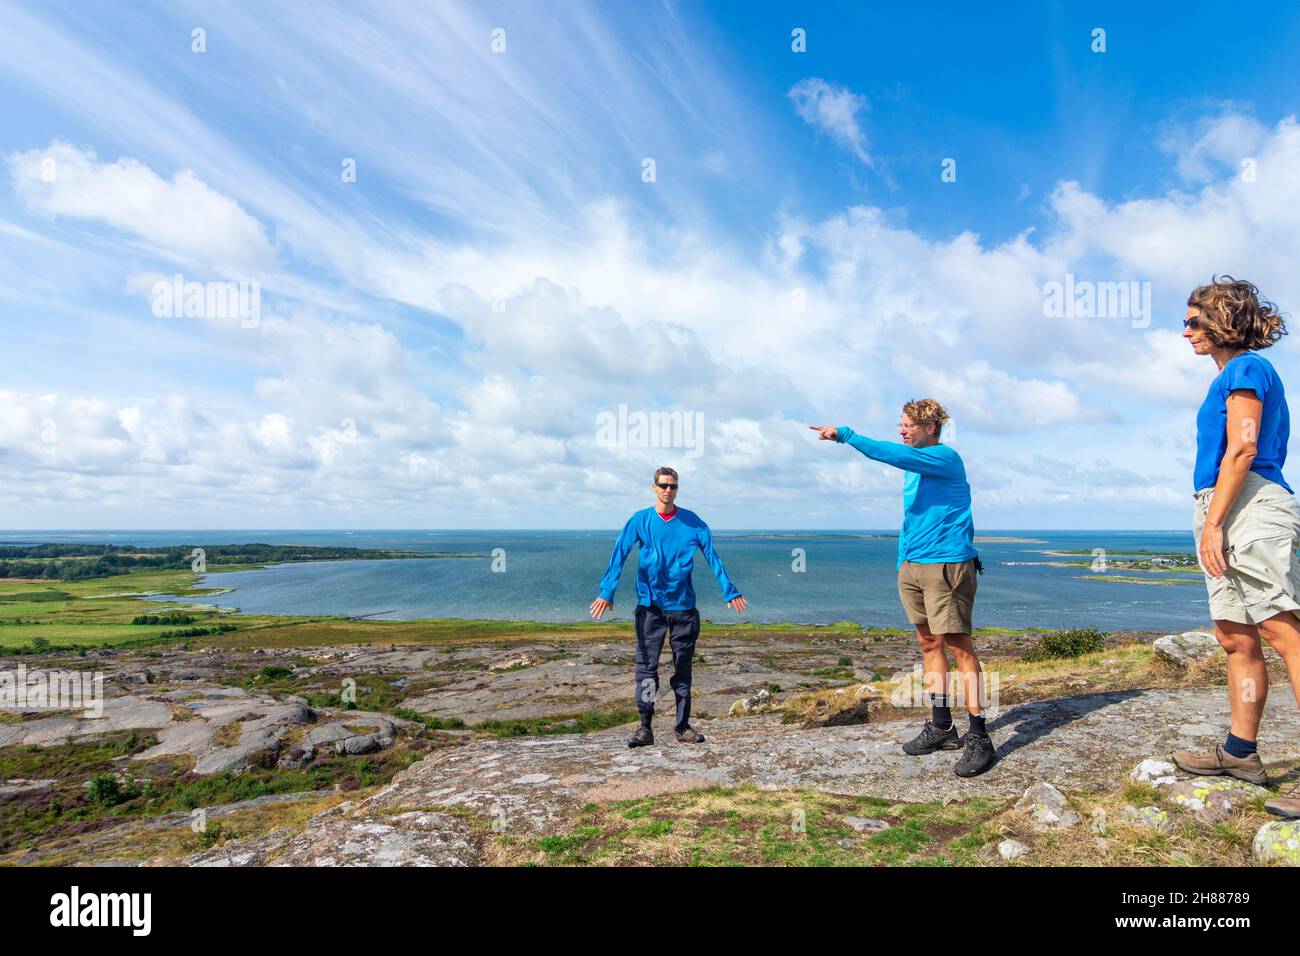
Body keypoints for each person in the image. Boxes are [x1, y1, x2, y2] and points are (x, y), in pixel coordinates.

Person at [809, 399, 994, 777]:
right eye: (901, 424)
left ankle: (979, 736)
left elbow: (889, 454)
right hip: (913, 566)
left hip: (947, 565)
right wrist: (902, 563)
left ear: (930, 428)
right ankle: (942, 725)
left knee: (959, 647)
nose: (902, 430)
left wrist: (846, 435)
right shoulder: (914, 468)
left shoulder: (944, 458)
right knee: (928, 643)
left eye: (908, 425)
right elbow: (912, 519)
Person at [1174, 276, 1300, 819]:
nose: (1186, 333)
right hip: (1223, 505)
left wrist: (1213, 524)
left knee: (1281, 631)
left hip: (1247, 505)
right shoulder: (1229, 375)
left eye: (1194, 322)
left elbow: (1244, 447)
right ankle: (1240, 754)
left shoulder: (1247, 368)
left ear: (1224, 320)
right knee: (1234, 635)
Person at [590, 466, 747, 747]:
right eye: (663, 485)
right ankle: (645, 727)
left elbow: (713, 557)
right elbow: (620, 553)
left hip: (683, 609)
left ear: (677, 488)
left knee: (682, 671)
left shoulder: (693, 522)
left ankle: (682, 726)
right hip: (650, 609)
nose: (668, 490)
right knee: (647, 671)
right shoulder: (640, 520)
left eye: (673, 486)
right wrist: (607, 591)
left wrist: (729, 591)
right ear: (653, 487)